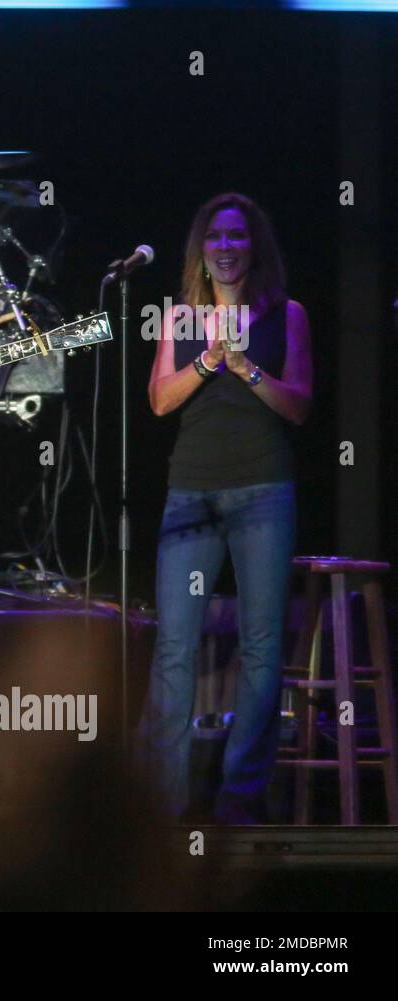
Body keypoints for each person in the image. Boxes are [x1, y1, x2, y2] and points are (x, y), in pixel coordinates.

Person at [138, 192, 313, 824]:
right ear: (202, 250)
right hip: (192, 492)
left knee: (262, 645)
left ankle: (240, 801)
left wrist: (248, 369)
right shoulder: (181, 318)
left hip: (264, 489)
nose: (227, 247)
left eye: (238, 236)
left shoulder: (286, 314)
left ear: (253, 247)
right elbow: (159, 401)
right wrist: (211, 359)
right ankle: (163, 805)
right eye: (216, 237)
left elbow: (298, 406)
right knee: (174, 645)